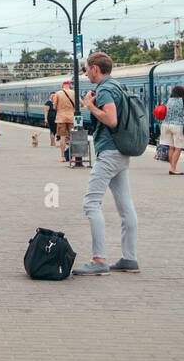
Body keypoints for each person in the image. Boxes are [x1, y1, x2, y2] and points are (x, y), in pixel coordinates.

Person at [73, 52, 139, 275]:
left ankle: (99, 259)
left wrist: (89, 106)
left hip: (109, 151)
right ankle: (130, 258)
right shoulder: (117, 85)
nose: (85, 73)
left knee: (91, 204)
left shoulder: (105, 89)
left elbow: (111, 120)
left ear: (94, 68)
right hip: (121, 152)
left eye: (86, 69)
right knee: (125, 206)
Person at [159, 85, 184, 176]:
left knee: (171, 147)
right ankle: (173, 168)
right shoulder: (183, 100)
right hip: (177, 126)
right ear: (182, 93)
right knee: (178, 147)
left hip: (165, 125)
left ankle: (172, 167)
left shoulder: (168, 100)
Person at [52, 79, 77, 166]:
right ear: (69, 85)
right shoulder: (74, 93)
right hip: (71, 118)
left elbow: (54, 106)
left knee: (62, 138)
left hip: (61, 118)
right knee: (72, 137)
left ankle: (62, 157)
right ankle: (73, 157)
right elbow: (81, 104)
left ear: (63, 85)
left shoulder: (58, 93)